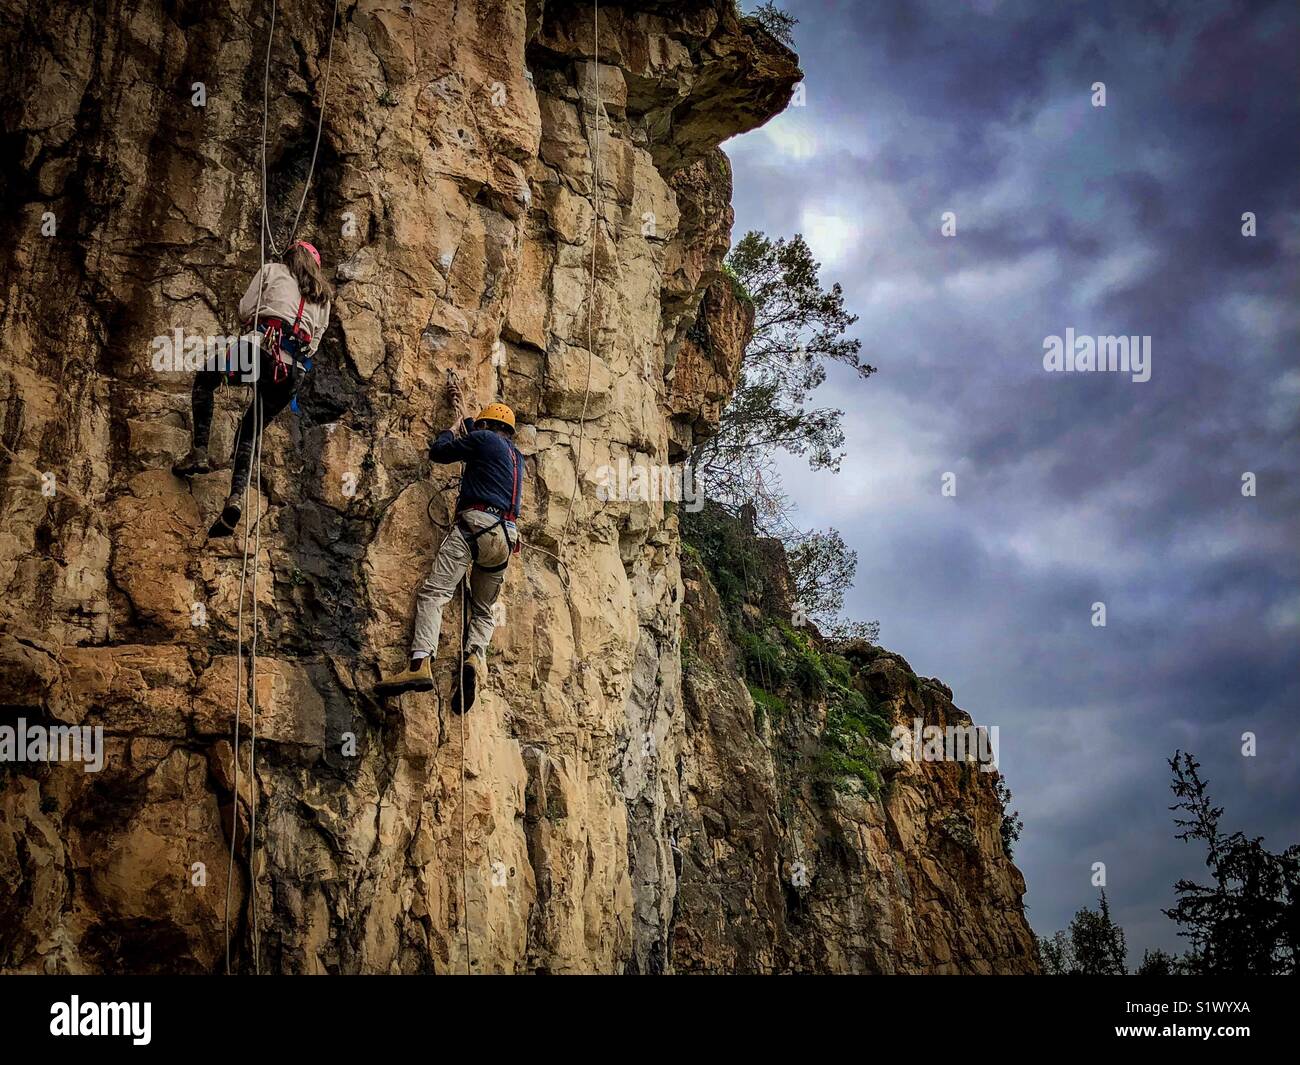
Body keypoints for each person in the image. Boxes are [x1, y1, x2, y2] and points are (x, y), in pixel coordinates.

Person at [376, 387, 524, 711]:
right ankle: (473, 655)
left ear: (485, 427)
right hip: (505, 538)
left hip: (476, 526)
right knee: (484, 609)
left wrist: (450, 430)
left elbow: (440, 452)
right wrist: (465, 414)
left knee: (436, 593)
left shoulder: (483, 441)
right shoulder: (516, 457)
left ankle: (419, 663)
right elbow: (481, 436)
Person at [172, 240, 333, 537]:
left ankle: (199, 450)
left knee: (207, 378)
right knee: (250, 430)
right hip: (292, 370)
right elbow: (313, 345)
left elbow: (245, 310)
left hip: (259, 348)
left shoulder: (273, 270)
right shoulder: (323, 299)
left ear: (290, 258)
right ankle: (235, 498)